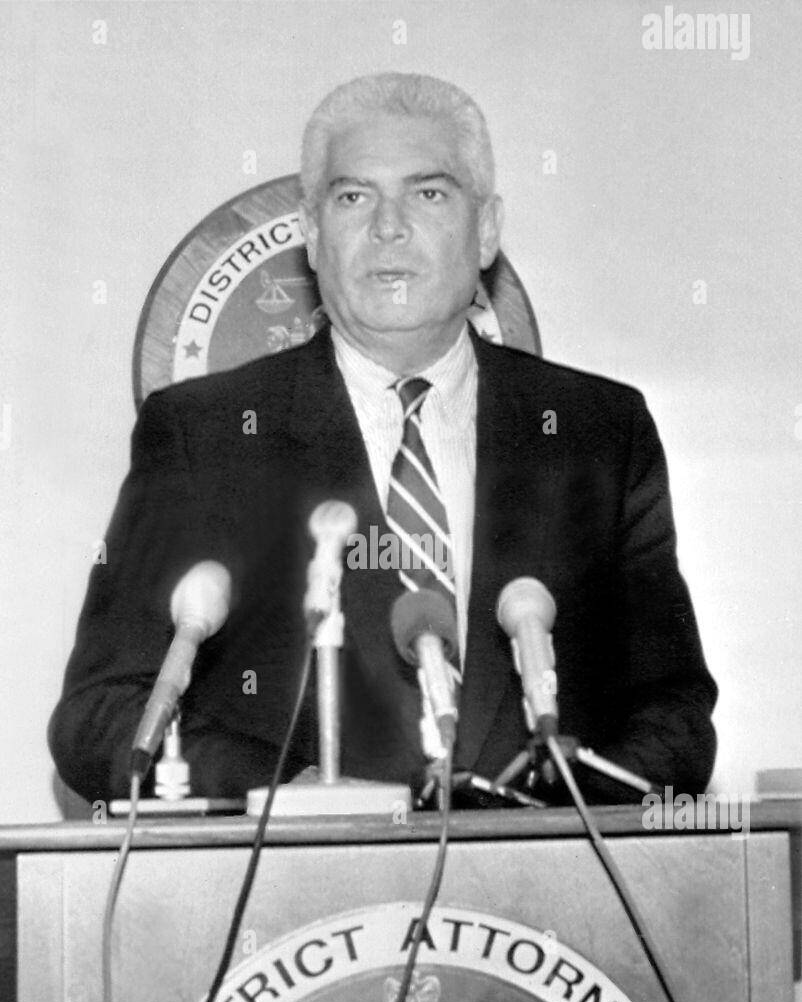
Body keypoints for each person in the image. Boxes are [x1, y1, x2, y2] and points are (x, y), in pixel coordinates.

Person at [48, 72, 717, 805]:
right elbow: (102, 714)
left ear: (488, 229)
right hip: (288, 904)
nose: (388, 226)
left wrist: (533, 817)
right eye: (353, 196)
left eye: (429, 194)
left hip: (541, 902)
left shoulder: (598, 433)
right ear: (310, 231)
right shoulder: (205, 436)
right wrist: (306, 799)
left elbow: (675, 717)